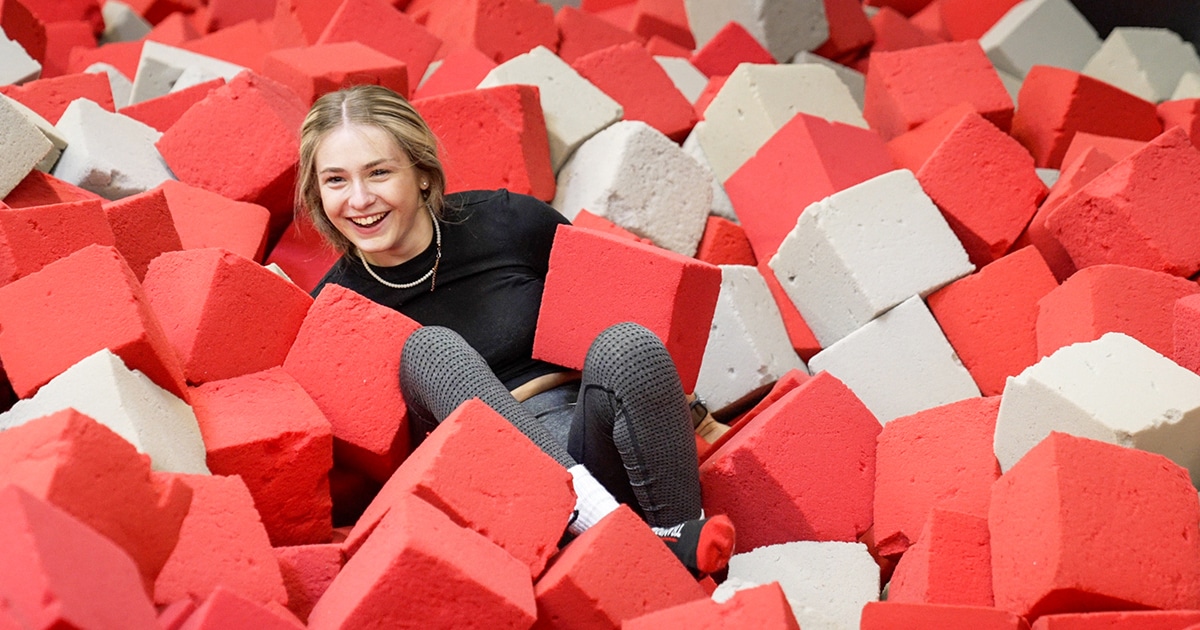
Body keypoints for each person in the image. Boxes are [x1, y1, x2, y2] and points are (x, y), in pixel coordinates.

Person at [298, 84, 734, 575]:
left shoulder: (508, 222)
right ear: (317, 192)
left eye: (379, 172)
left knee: (627, 343)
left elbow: (603, 306)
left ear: (421, 174)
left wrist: (694, 415)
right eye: (336, 180)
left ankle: (676, 539)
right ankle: (623, 538)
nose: (359, 199)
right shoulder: (334, 309)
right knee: (429, 348)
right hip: (499, 487)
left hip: (598, 437)